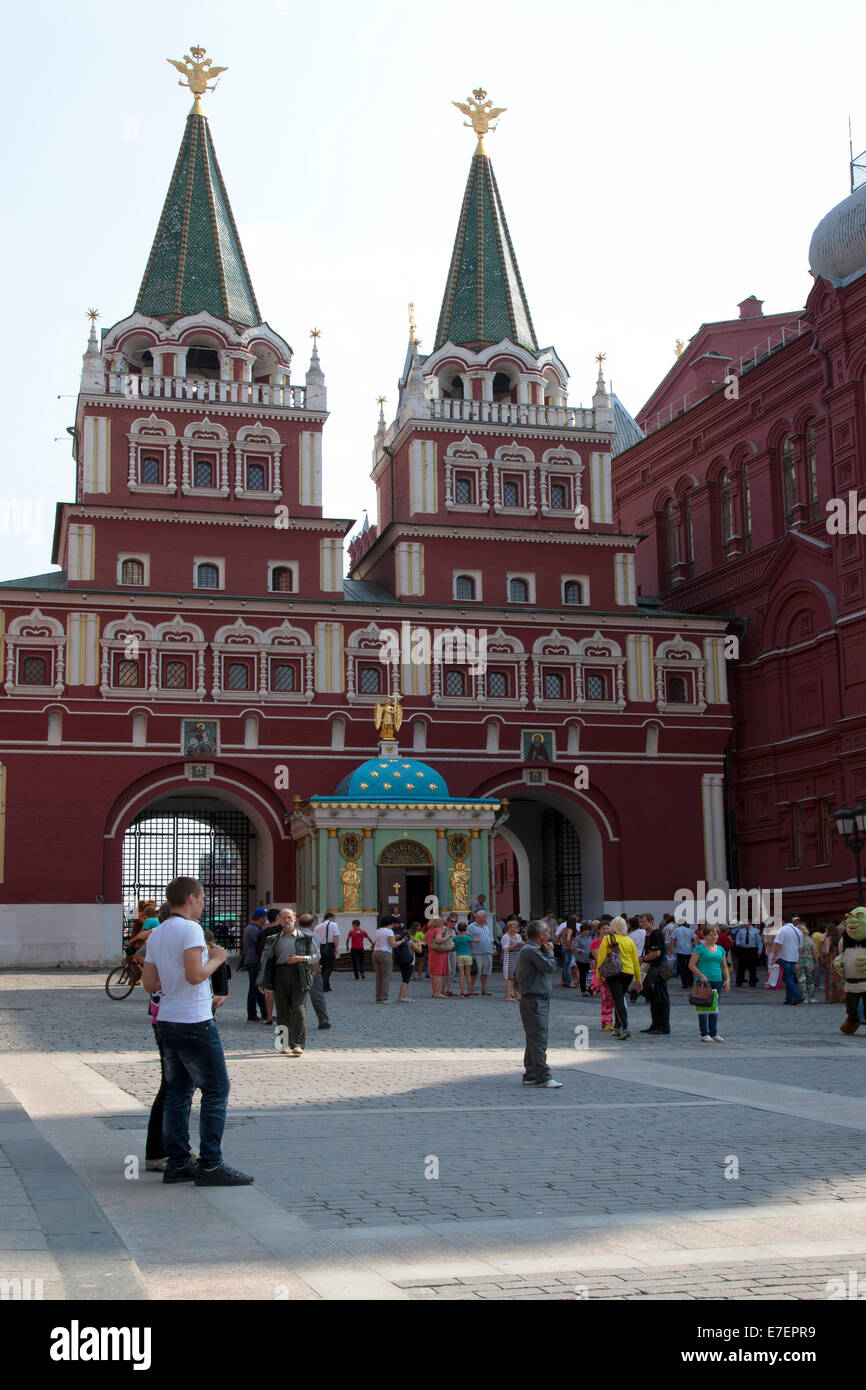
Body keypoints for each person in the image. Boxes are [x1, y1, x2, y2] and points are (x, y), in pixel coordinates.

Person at [141, 875, 252, 1186]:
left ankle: (177, 1162)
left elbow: (149, 983)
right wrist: (217, 959)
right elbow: (194, 975)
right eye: (202, 897)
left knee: (178, 1091)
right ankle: (210, 1164)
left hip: (167, 1019)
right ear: (190, 897)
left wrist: (174, 976)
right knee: (216, 1089)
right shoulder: (190, 929)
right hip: (194, 1020)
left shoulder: (158, 932)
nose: (204, 903)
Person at [258, 910, 321, 1053]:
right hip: (280, 974)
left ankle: (297, 1044)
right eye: (284, 918)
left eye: (290, 917)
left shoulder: (306, 937)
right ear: (279, 919)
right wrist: (263, 981)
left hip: (299, 974)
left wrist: (300, 958)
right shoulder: (273, 939)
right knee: (282, 1010)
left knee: (299, 1009)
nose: (287, 920)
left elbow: (316, 955)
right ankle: (284, 1044)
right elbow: (265, 960)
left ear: (295, 919)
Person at [513, 921, 561, 1087]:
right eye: (547, 932)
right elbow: (549, 967)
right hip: (534, 999)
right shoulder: (531, 950)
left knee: (533, 1038)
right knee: (538, 1038)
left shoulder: (531, 950)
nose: (549, 935)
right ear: (541, 935)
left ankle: (531, 1074)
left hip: (535, 998)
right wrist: (549, 953)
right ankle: (543, 1076)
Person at [595, 916, 642, 1040]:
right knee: (619, 997)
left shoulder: (607, 939)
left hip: (614, 972)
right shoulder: (629, 940)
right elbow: (636, 962)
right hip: (628, 973)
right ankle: (617, 1027)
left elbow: (601, 958)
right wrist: (638, 979)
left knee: (618, 999)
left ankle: (625, 1028)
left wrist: (598, 975)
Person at [688, 925, 731, 1041]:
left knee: (714, 1006)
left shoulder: (720, 949)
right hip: (704, 981)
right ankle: (704, 1033)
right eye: (711, 935)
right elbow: (691, 965)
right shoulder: (699, 949)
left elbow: (724, 966)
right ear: (705, 936)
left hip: (717, 979)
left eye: (715, 934)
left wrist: (727, 979)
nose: (714, 937)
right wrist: (701, 975)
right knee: (703, 1006)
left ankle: (714, 1032)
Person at [834, 907, 866, 1034]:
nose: (852, 921)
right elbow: (841, 955)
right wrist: (836, 962)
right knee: (851, 1007)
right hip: (851, 983)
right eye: (850, 917)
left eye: (858, 917)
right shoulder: (845, 940)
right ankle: (853, 1021)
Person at [640, 918, 671, 1035]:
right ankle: (655, 1024)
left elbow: (656, 953)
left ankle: (663, 1026)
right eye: (641, 922)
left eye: (644, 921)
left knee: (660, 998)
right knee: (654, 998)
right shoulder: (649, 934)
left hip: (658, 970)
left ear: (651, 921)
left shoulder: (656, 934)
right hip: (653, 968)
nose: (642, 924)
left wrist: (642, 959)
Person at [240, 908, 269, 1022]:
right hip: (254, 961)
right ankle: (252, 1014)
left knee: (258, 988)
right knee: (254, 988)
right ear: (261, 917)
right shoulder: (253, 929)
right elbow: (260, 944)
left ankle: (265, 1012)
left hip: (253, 961)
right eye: (265, 917)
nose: (266, 919)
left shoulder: (252, 928)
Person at [590, 921, 615, 1032]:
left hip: (612, 972)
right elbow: (598, 958)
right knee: (606, 998)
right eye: (604, 928)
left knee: (612, 998)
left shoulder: (611, 941)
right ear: (599, 930)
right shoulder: (595, 943)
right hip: (602, 972)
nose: (606, 930)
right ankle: (605, 1022)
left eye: (607, 928)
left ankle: (610, 1021)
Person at [772, 920, 805, 1005]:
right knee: (790, 977)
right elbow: (800, 947)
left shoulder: (782, 930)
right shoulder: (798, 931)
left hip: (784, 956)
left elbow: (778, 944)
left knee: (786, 978)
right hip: (794, 957)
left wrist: (774, 958)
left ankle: (798, 995)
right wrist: (798, 959)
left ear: (783, 921)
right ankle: (790, 998)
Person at [468, 910, 495, 996]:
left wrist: (493, 947)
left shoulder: (486, 926)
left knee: (485, 972)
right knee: (475, 971)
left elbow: (491, 938)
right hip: (477, 952)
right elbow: (468, 938)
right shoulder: (471, 926)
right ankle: (471, 989)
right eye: (484, 916)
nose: (486, 918)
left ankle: (484, 989)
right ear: (479, 917)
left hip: (488, 951)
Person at [203, 930, 231, 1014]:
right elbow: (227, 970)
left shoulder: (203, 949)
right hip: (218, 979)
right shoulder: (219, 950)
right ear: (213, 939)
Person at [425, 916, 452, 998]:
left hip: (432, 953)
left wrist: (430, 944)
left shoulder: (429, 930)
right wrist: (447, 937)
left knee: (433, 973)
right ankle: (437, 992)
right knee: (439, 973)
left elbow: (424, 939)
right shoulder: (439, 929)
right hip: (439, 953)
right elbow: (438, 940)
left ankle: (434, 991)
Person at [373, 914, 397, 1002]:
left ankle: (378, 997)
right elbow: (393, 944)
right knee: (386, 976)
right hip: (385, 953)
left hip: (376, 953)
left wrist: (394, 938)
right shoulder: (389, 931)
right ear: (391, 923)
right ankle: (384, 997)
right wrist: (401, 941)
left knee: (379, 976)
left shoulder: (378, 930)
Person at [315, 911, 340, 991]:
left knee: (324, 966)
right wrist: (336, 947)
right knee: (329, 966)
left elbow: (315, 938)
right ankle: (323, 984)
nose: (334, 920)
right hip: (329, 946)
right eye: (334, 918)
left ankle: (327, 986)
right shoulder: (333, 924)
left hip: (320, 947)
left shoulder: (318, 926)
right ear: (330, 918)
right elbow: (335, 936)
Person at [393, 923, 418, 1002]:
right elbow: (419, 950)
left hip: (402, 962)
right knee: (406, 980)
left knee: (404, 979)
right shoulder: (410, 942)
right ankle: (402, 996)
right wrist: (419, 943)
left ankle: (403, 994)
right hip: (408, 962)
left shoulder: (401, 941)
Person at [733, 922, 762, 987]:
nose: (744, 924)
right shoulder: (741, 931)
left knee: (752, 966)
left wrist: (760, 950)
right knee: (741, 966)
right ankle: (739, 981)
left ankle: (752, 981)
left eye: (746, 923)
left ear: (750, 923)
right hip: (743, 949)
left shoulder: (756, 931)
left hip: (752, 949)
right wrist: (738, 943)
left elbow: (759, 941)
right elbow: (737, 939)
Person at [500, 918, 523, 1001]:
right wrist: (516, 944)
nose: (513, 929)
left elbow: (521, 946)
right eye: (511, 927)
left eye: (514, 927)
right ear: (508, 928)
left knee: (516, 978)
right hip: (509, 959)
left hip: (518, 958)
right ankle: (508, 996)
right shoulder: (505, 937)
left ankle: (516, 994)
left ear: (517, 929)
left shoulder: (518, 936)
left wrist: (522, 944)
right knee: (509, 978)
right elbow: (505, 948)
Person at [795, 923, 818, 1003]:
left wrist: (796, 962)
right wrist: (816, 962)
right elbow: (814, 952)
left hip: (800, 961)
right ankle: (811, 998)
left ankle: (804, 997)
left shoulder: (797, 940)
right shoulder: (810, 939)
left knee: (801, 980)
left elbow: (796, 952)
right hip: (809, 961)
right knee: (810, 979)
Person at [451, 922, 475, 996]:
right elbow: (477, 940)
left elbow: (453, 943)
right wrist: (469, 934)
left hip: (459, 956)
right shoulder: (467, 937)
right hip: (467, 956)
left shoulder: (455, 938)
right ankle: (470, 992)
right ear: (465, 929)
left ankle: (462, 992)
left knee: (461, 975)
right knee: (468, 974)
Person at [673, 920, 697, 988]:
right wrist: (696, 949)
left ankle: (685, 983)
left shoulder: (676, 930)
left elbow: (672, 940)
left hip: (680, 951)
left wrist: (670, 950)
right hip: (689, 951)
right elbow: (695, 939)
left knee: (682, 967)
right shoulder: (690, 930)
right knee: (690, 966)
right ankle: (690, 981)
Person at [572, 922, 593, 995]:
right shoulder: (578, 938)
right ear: (582, 930)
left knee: (591, 975)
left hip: (589, 959)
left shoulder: (590, 937)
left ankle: (591, 989)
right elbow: (575, 947)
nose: (588, 932)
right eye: (586, 930)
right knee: (583, 975)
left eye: (589, 930)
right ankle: (583, 990)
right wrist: (580, 950)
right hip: (581, 959)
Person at [559, 914, 578, 988]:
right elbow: (568, 938)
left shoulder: (564, 929)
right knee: (567, 966)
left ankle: (564, 981)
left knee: (565, 966)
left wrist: (561, 943)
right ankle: (568, 982)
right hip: (567, 949)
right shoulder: (570, 930)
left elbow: (558, 937)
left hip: (563, 948)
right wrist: (569, 945)